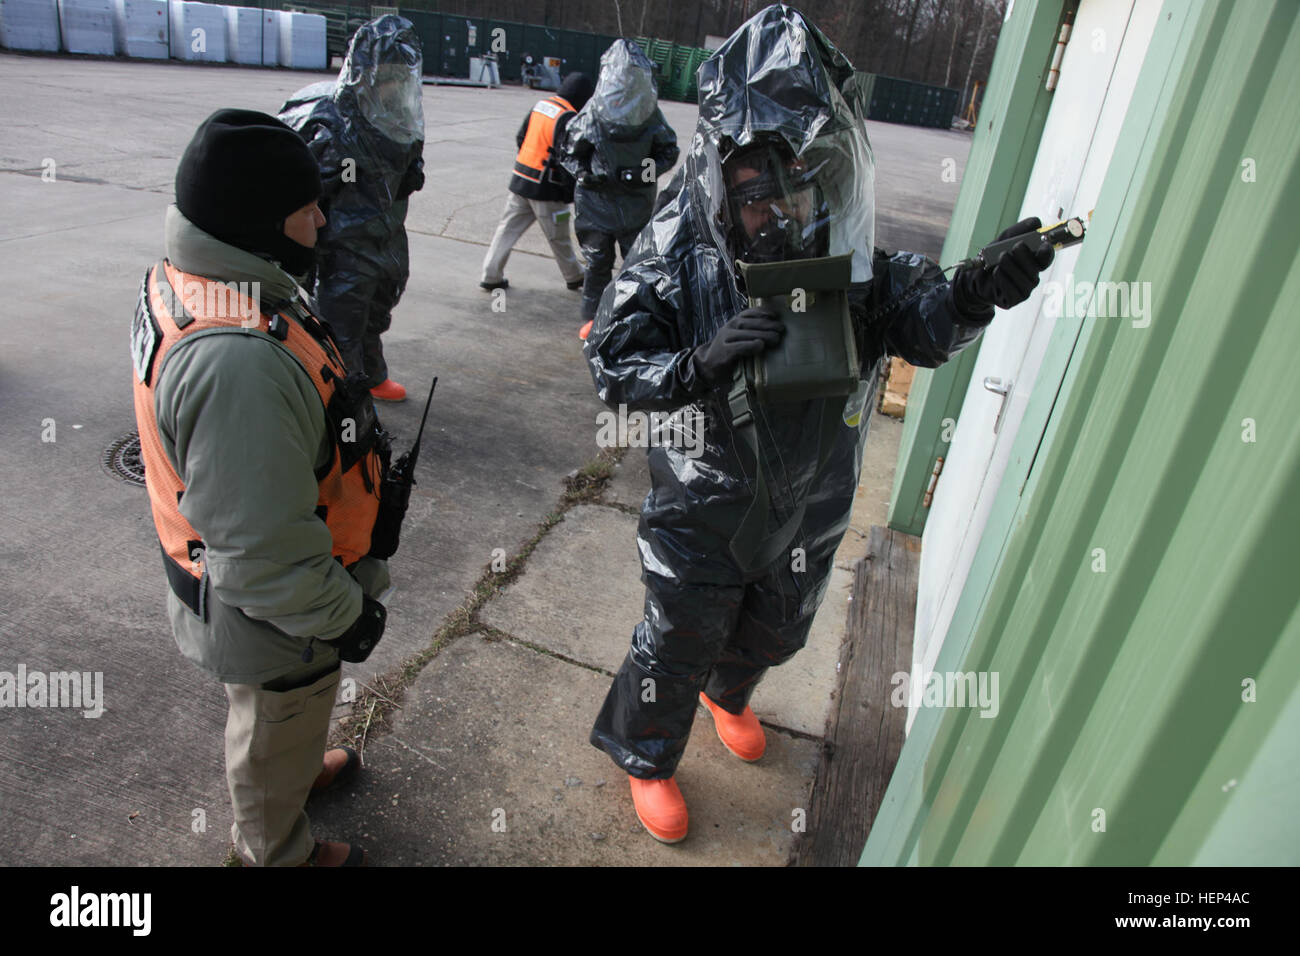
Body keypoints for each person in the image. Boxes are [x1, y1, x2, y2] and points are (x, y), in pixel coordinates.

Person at [583, 4, 1054, 844]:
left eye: (799, 183)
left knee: (778, 624)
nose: (780, 210)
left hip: (814, 494)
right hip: (704, 499)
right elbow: (615, 365)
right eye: (757, 192)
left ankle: (726, 694)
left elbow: (919, 314)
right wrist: (697, 365)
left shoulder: (847, 252)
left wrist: (980, 288)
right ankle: (645, 754)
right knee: (677, 636)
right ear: (722, 173)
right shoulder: (677, 247)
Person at [130, 109, 393, 866]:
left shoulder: (209, 273)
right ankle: (275, 850)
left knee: (288, 718)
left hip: (265, 586)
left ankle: (298, 768)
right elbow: (263, 560)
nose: (319, 219)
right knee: (275, 715)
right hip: (274, 609)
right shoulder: (237, 363)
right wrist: (349, 618)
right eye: (304, 209)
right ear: (257, 224)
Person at [279, 15, 426, 403]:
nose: (396, 83)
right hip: (344, 243)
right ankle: (344, 396)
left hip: (388, 235)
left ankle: (372, 374)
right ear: (366, 73)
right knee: (342, 320)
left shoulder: (402, 114)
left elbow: (407, 167)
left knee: (377, 312)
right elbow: (310, 190)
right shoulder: (335, 119)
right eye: (388, 74)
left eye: (401, 73)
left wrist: (413, 172)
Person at [561, 40, 679, 340]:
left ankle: (630, 320)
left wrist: (642, 174)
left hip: (634, 204)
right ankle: (592, 321)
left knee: (635, 265)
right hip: (596, 203)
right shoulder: (594, 114)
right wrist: (586, 175)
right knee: (598, 263)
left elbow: (669, 151)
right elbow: (570, 152)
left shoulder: (650, 116)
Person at [479, 72, 595, 293]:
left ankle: (491, 275)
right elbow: (565, 159)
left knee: (507, 230)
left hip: (521, 180)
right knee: (558, 236)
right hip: (547, 189)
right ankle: (574, 276)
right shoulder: (567, 116)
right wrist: (569, 192)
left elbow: (521, 138)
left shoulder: (541, 105)